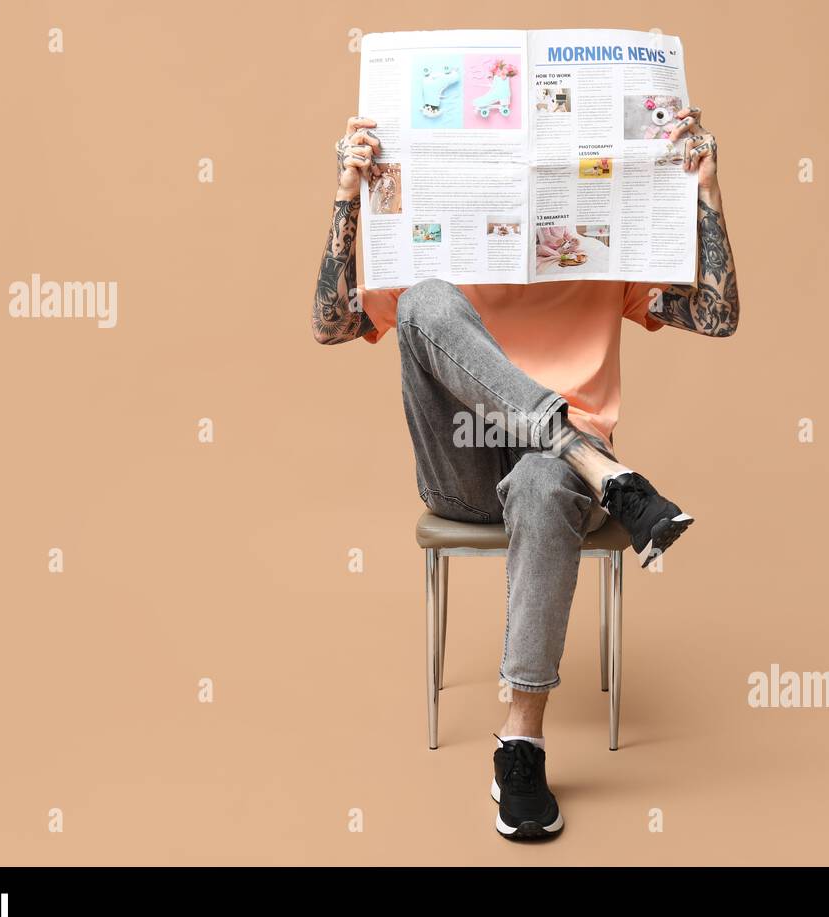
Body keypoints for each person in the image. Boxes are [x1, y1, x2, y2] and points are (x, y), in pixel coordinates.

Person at [311, 108, 739, 840]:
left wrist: (707, 191)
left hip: (556, 490)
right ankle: (604, 469)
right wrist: (348, 191)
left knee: (543, 481)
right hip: (465, 468)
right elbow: (330, 323)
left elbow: (717, 315)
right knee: (424, 299)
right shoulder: (434, 249)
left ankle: (522, 746)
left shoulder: (598, 253)